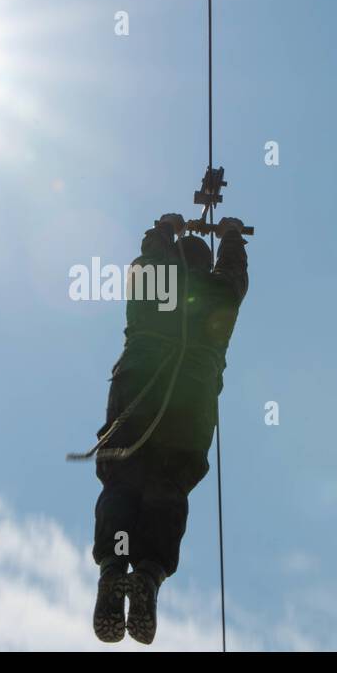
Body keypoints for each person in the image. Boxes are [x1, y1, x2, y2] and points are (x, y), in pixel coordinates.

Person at [91, 211, 248, 644]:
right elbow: (234, 276)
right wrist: (232, 236)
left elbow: (147, 261)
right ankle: (147, 572)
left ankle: (114, 567)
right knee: (168, 484)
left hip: (139, 387)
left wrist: (164, 230)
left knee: (123, 481)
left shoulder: (154, 280)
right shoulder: (218, 294)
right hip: (190, 401)